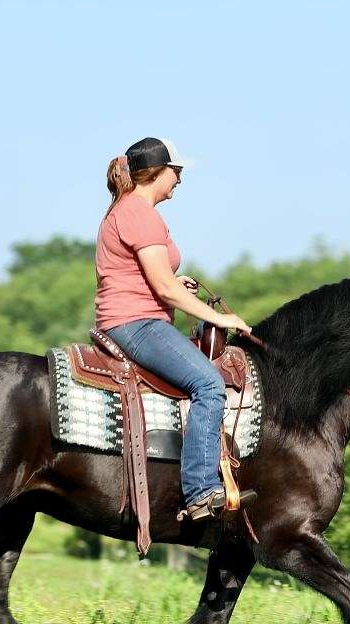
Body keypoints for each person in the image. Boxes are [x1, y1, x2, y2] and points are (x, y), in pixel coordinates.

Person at [95, 137, 252, 521]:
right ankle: (200, 491)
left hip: (134, 317)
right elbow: (163, 287)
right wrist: (221, 318)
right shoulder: (139, 213)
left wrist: (175, 285)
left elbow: (154, 279)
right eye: (175, 171)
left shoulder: (130, 211)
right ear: (156, 172)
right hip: (137, 324)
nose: (179, 179)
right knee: (209, 385)